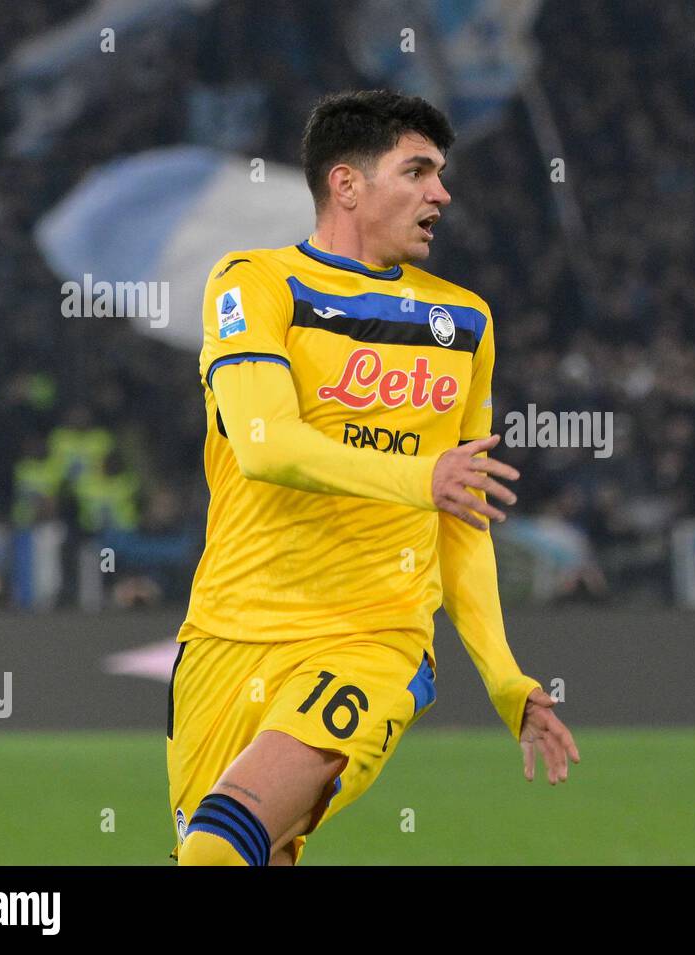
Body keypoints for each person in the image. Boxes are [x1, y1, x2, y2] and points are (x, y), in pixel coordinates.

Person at [167, 89, 579, 866]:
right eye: (417, 171)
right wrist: (422, 476)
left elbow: (462, 518)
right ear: (347, 184)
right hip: (228, 636)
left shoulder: (465, 322)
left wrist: (504, 677)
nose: (441, 194)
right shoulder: (256, 283)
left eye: (441, 174)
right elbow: (264, 445)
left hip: (374, 639)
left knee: (218, 847)